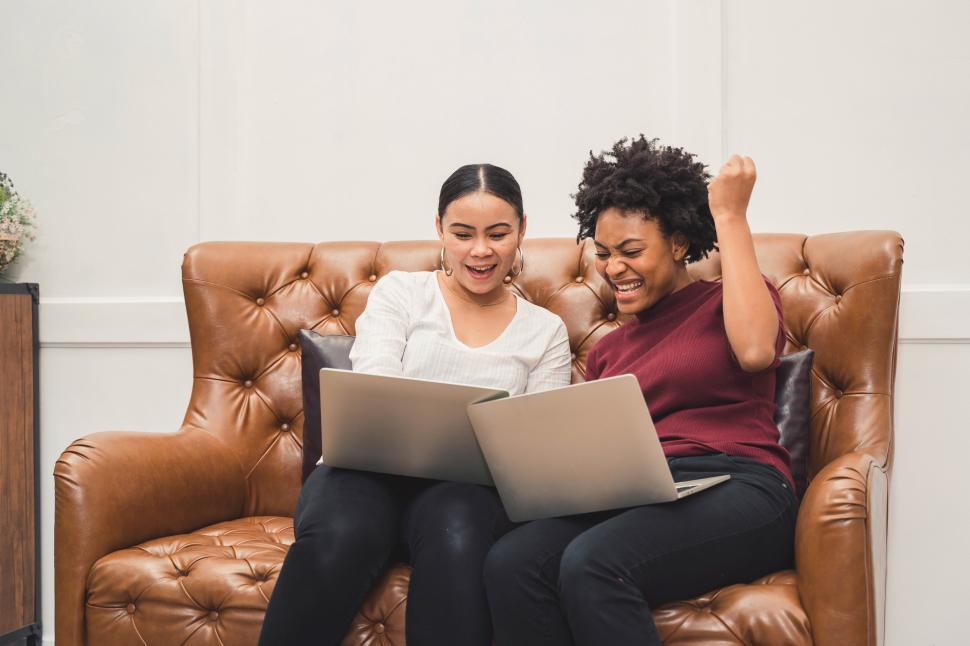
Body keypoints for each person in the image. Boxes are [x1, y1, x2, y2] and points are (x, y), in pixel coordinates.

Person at [483, 137, 799, 646]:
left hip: (742, 486)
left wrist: (731, 217)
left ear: (678, 243)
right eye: (604, 254)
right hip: (646, 495)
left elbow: (758, 352)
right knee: (511, 561)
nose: (614, 269)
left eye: (631, 251)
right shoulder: (608, 352)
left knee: (594, 563)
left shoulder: (731, 299)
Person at [258, 163, 572, 646]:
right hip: (365, 474)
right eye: (463, 234)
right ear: (439, 230)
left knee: (458, 533)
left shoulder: (545, 330)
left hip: (467, 493)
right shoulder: (402, 293)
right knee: (343, 535)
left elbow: (537, 446)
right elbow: (376, 385)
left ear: (522, 230)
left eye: (498, 234)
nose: (481, 251)